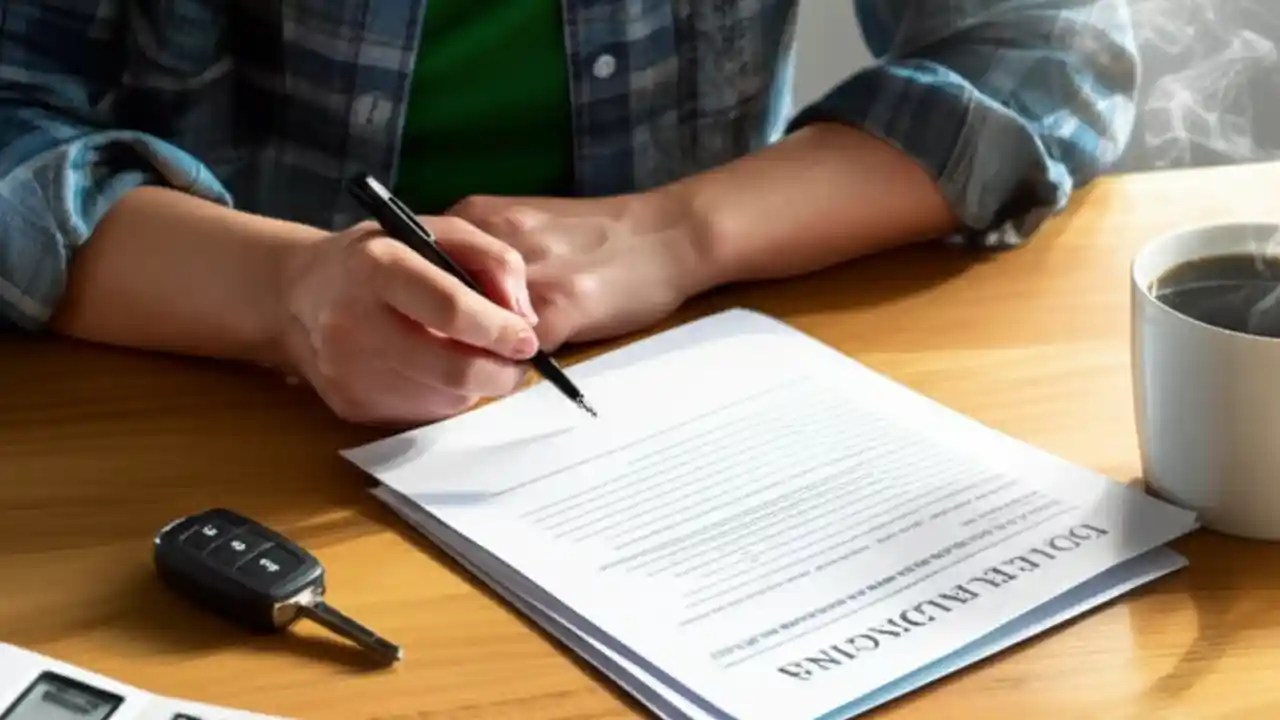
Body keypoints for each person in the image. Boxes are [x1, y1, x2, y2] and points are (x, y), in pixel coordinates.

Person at [0, 2, 1137, 424]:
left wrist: (677, 232)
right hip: (191, 404)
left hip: (690, 371)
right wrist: (284, 293)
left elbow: (1050, 52)